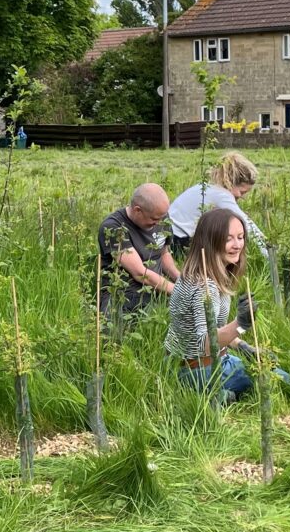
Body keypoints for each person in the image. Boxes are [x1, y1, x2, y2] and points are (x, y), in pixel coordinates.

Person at [167, 208, 279, 402]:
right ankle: (211, 394)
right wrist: (240, 325)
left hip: (204, 363)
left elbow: (217, 328)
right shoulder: (204, 286)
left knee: (267, 367)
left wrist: (244, 346)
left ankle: (221, 396)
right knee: (278, 379)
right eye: (228, 239)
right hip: (198, 368)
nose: (237, 245)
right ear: (211, 241)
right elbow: (205, 344)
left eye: (240, 237)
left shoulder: (206, 275)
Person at [97, 183, 179, 322]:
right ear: (137, 210)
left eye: (162, 217)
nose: (159, 222)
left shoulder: (161, 216)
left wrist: (181, 280)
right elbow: (140, 274)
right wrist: (179, 292)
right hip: (123, 295)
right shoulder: (114, 227)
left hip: (158, 291)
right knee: (115, 336)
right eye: (154, 219)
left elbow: (164, 254)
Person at [167, 152, 262, 261]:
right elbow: (246, 224)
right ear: (230, 182)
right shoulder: (222, 195)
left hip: (169, 236)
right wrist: (267, 249)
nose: (242, 197)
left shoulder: (207, 187)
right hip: (178, 242)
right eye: (242, 192)